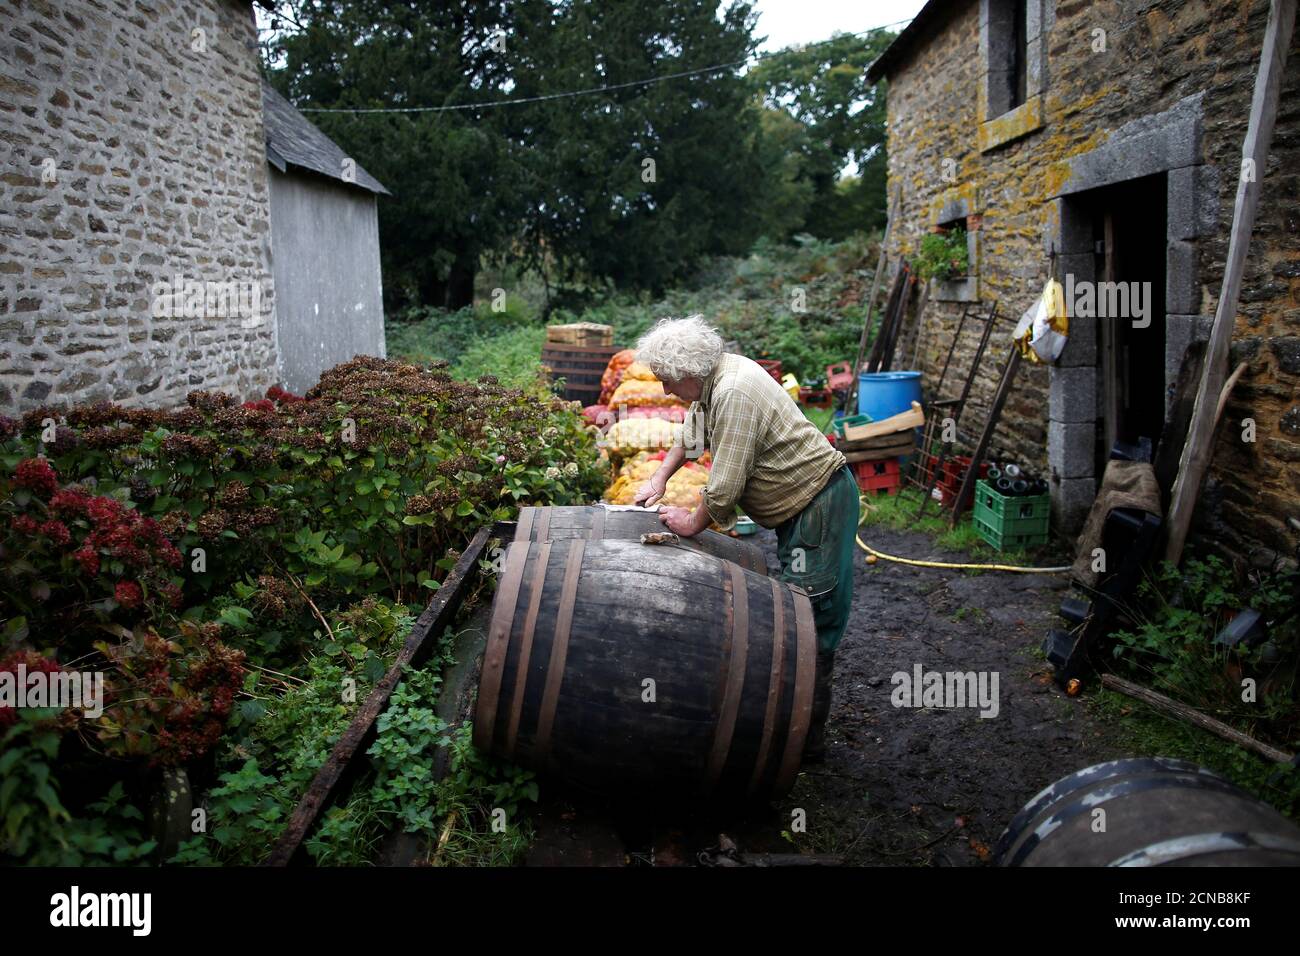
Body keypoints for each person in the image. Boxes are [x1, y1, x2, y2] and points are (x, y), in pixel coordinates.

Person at [632, 315, 860, 760]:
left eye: (667, 382)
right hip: (799, 508)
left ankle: (805, 743)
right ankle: (793, 721)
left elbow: (725, 486)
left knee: (814, 617)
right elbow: (692, 435)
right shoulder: (717, 376)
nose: (664, 392)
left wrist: (692, 523)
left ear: (688, 373)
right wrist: (659, 477)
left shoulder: (734, 391)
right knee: (798, 607)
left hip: (819, 503)